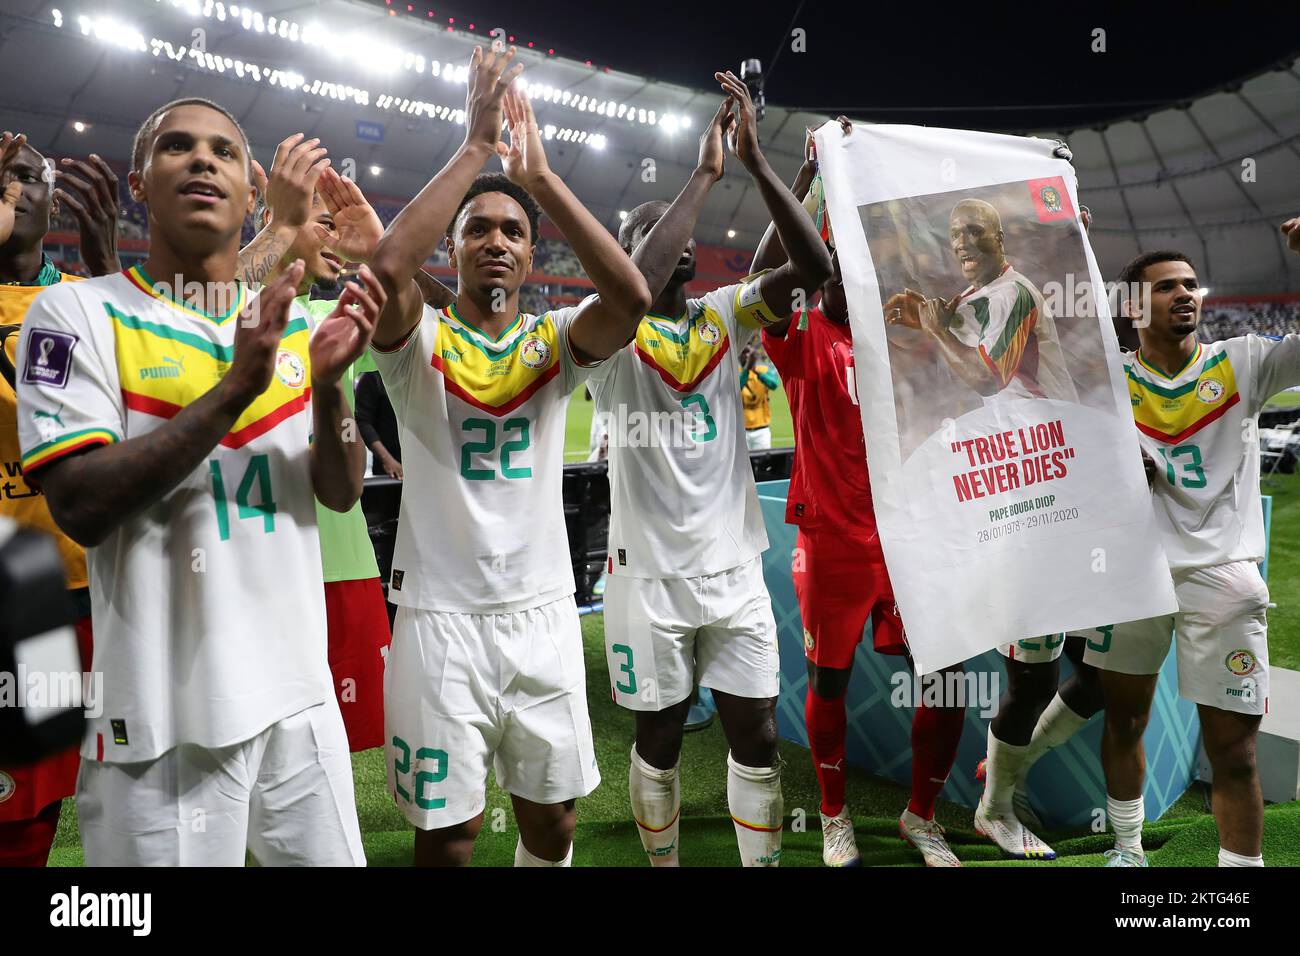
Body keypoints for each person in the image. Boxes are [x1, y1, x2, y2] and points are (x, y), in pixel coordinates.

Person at [16, 97, 382, 865]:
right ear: (140, 184)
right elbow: (80, 504)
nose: (202, 159)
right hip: (158, 722)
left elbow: (343, 488)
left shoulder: (296, 323)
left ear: (253, 197)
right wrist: (235, 388)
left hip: (299, 705)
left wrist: (332, 390)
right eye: (176, 146)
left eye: (221, 150)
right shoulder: (78, 313)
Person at [367, 46, 651, 867]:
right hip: (438, 618)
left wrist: (544, 180)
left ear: (533, 257)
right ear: (452, 251)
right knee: (449, 839)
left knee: (552, 825)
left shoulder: (556, 342)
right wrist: (474, 147)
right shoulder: (417, 341)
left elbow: (631, 298)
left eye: (514, 232)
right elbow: (387, 268)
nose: (497, 240)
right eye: (479, 229)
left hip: (543, 612)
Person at [591, 73, 831, 868]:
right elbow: (635, 284)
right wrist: (699, 179)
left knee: (757, 732)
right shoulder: (607, 334)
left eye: (681, 225)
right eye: (650, 227)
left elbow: (811, 268)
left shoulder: (724, 315)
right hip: (649, 578)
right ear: (626, 253)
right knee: (659, 735)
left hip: (732, 568)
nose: (678, 235)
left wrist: (763, 167)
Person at [754, 125, 965, 867]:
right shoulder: (804, 342)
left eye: (858, 270)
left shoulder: (911, 343)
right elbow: (762, 277)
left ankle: (922, 815)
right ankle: (835, 813)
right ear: (819, 279)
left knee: (947, 683)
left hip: (915, 546)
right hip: (835, 545)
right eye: (832, 269)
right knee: (830, 684)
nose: (847, 279)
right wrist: (806, 182)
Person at [1087, 230, 1300, 867]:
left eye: (1190, 284)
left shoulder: (1246, 360)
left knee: (1234, 751)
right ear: (1132, 307)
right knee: (1123, 721)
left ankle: (1240, 876)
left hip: (1223, 577)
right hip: (1132, 574)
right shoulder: (1106, 381)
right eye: (1166, 287)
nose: (1185, 294)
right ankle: (1127, 850)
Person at [252, 157, 402, 754]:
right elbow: (209, 298)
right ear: (277, 220)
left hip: (341, 560)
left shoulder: (326, 318)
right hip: (257, 571)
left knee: (330, 751)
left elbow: (415, 324)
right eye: (323, 224)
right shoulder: (219, 311)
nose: (336, 240)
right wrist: (279, 234)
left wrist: (379, 252)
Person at [0, 130, 118, 865]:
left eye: (24, 175)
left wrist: (107, 264)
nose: (12, 189)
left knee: (126, 790)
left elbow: (151, 397)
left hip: (92, 586)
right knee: (16, 811)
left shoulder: (83, 298)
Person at [885, 198, 1077, 404]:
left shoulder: (1010, 294)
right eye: (955, 235)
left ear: (999, 238)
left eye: (974, 231)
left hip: (1050, 425)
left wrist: (938, 331)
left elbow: (986, 379)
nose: (961, 243)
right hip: (1023, 427)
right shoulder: (979, 292)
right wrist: (925, 319)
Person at [356, 369, 402, 478]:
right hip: (390, 473)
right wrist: (387, 460)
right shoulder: (372, 377)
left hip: (420, 466)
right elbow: (363, 422)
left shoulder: (418, 372)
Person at [739, 342, 779, 449]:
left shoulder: (763, 370)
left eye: (748, 353)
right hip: (741, 431)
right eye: (743, 352)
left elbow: (774, 384)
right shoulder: (734, 372)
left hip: (762, 430)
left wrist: (756, 372)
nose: (746, 356)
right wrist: (747, 369)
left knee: (764, 464)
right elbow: (738, 386)